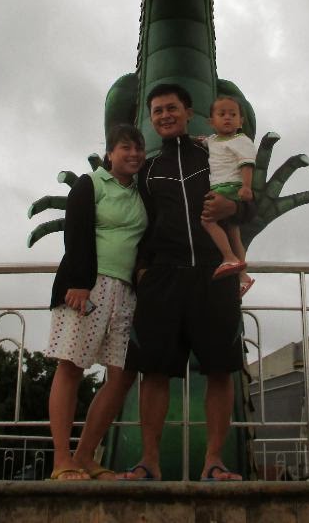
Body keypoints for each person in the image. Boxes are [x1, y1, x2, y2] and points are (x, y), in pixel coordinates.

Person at [120, 83, 255, 482]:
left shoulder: (213, 151)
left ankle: (214, 460)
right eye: (157, 110)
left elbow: (247, 206)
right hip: (164, 279)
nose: (165, 115)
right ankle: (149, 461)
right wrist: (142, 272)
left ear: (188, 110)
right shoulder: (147, 171)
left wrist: (234, 206)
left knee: (220, 368)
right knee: (155, 372)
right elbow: (139, 226)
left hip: (214, 275)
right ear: (151, 117)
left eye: (171, 108)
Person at [46, 124, 147, 481]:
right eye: (125, 148)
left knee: (122, 374)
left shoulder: (139, 192)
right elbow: (76, 234)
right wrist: (78, 282)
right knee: (72, 365)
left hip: (125, 292)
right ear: (109, 152)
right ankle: (62, 460)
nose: (133, 154)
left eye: (138, 149)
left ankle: (87, 455)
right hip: (87, 285)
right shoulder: (90, 184)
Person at [200, 95, 256, 296]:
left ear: (241, 121)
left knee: (207, 220)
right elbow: (206, 142)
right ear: (211, 122)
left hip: (229, 187)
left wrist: (247, 186)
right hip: (221, 187)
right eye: (221, 114)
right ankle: (243, 276)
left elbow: (247, 163)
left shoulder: (240, 140)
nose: (227, 118)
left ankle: (229, 257)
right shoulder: (213, 140)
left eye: (233, 114)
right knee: (233, 231)